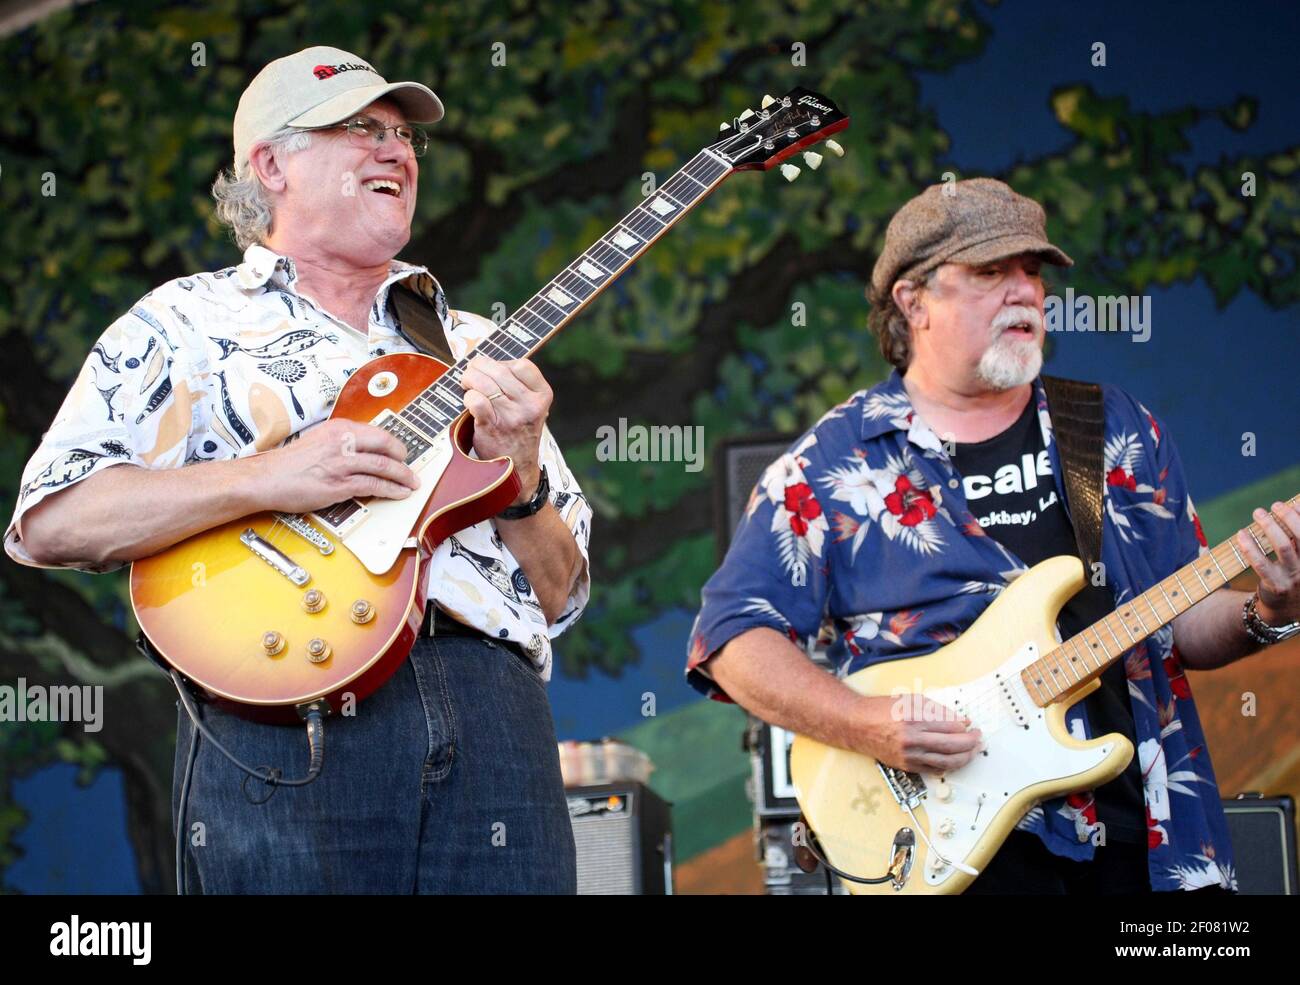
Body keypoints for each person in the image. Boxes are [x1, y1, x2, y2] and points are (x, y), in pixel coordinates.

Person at [5, 46, 592, 894]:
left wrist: (522, 474)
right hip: (289, 702)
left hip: (493, 711)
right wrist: (272, 476)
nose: (396, 150)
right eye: (361, 127)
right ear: (271, 164)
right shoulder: (185, 320)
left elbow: (559, 591)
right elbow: (52, 520)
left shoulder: (469, 346)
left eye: (404, 136)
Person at [686, 177, 1300, 894]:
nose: (1024, 292)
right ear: (912, 301)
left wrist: (1271, 610)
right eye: (989, 271)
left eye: (1032, 271)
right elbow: (731, 636)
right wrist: (865, 722)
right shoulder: (835, 460)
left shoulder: (1116, 428)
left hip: (1142, 835)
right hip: (955, 843)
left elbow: (1183, 618)